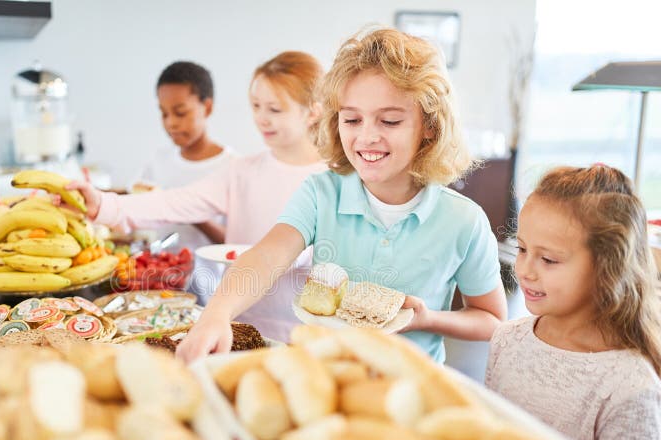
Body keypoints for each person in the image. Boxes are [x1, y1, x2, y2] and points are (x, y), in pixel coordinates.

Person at [176, 27, 507, 363]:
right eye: (352, 119)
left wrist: (427, 320)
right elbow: (264, 258)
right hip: (324, 373)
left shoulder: (463, 220)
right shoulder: (320, 193)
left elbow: (491, 319)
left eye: (389, 121)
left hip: (410, 380)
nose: (367, 136)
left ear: (430, 126)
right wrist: (216, 314)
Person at [68, 51, 326, 341]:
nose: (261, 119)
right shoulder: (241, 171)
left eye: (274, 110)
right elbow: (176, 201)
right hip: (237, 326)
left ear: (312, 112)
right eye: (256, 106)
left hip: (307, 333)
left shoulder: (334, 178)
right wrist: (103, 204)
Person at [485, 164, 661, 440]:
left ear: (607, 266)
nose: (525, 269)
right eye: (521, 249)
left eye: (548, 259)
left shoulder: (630, 386)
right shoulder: (507, 340)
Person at [133, 60, 237, 248]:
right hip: (161, 265)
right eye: (164, 113)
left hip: (210, 268)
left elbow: (238, 243)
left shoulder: (232, 166)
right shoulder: (159, 160)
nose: (171, 123)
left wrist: (190, 212)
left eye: (180, 113)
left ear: (207, 108)